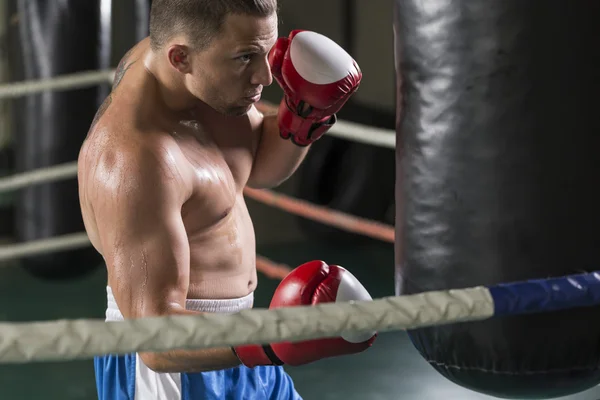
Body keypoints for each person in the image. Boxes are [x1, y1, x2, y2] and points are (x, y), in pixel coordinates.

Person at [78, 0, 375, 399]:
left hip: (240, 342)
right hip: (176, 369)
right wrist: (271, 340)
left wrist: (302, 116)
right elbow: (153, 341)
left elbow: (256, 167)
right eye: (246, 58)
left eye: (265, 52)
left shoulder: (206, 76)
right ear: (180, 58)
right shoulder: (134, 162)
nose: (266, 76)